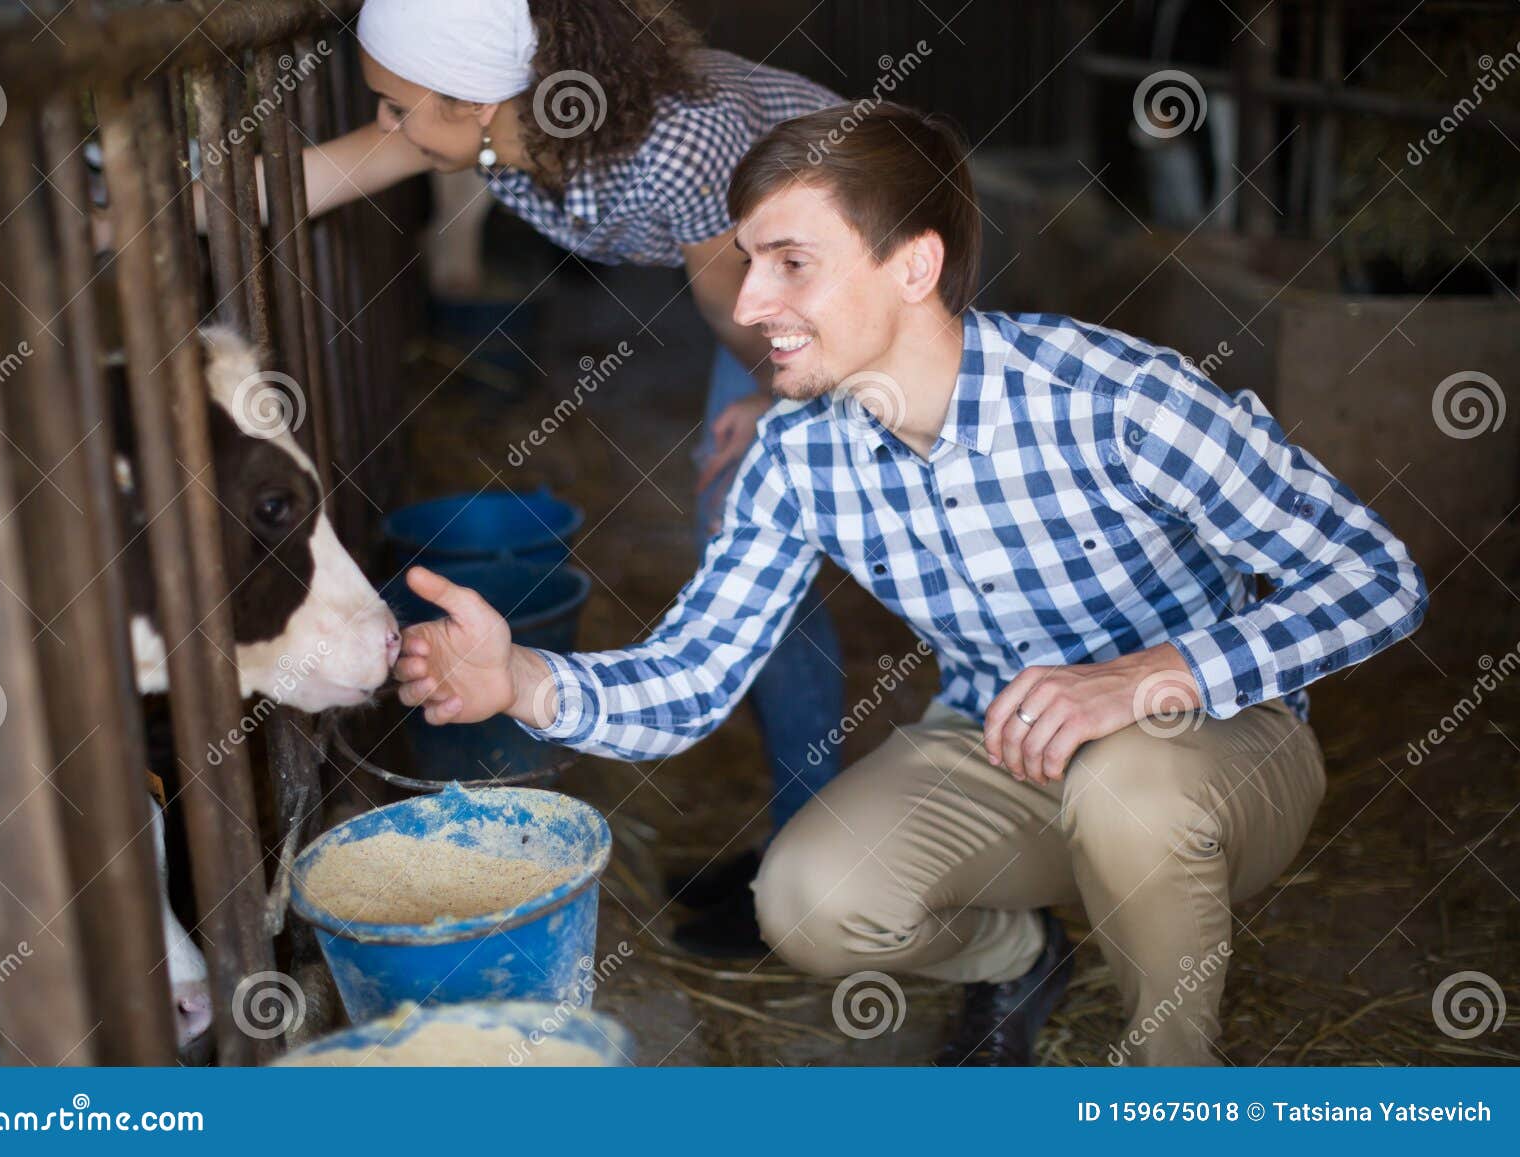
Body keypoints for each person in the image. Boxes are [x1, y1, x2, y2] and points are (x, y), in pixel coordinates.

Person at [389, 102, 1427, 1065]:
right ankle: (1019, 956)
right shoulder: (798, 454)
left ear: (914, 266)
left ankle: (1175, 1081)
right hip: (998, 741)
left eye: (791, 262)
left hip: (1213, 752)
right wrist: (523, 677)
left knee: (1128, 786)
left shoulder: (1117, 398)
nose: (749, 303)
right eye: (749, 262)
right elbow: (695, 672)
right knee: (804, 898)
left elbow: (1379, 578)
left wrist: (1146, 677)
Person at [243, 0, 848, 951]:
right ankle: (803, 844)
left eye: (396, 106)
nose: (387, 124)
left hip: (840, 270)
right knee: (754, 542)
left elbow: (751, 309)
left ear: (474, 100)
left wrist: (787, 400)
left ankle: (826, 860)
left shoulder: (669, 150)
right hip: (759, 281)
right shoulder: (486, 122)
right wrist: (126, 213)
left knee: (770, 535)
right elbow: (300, 181)